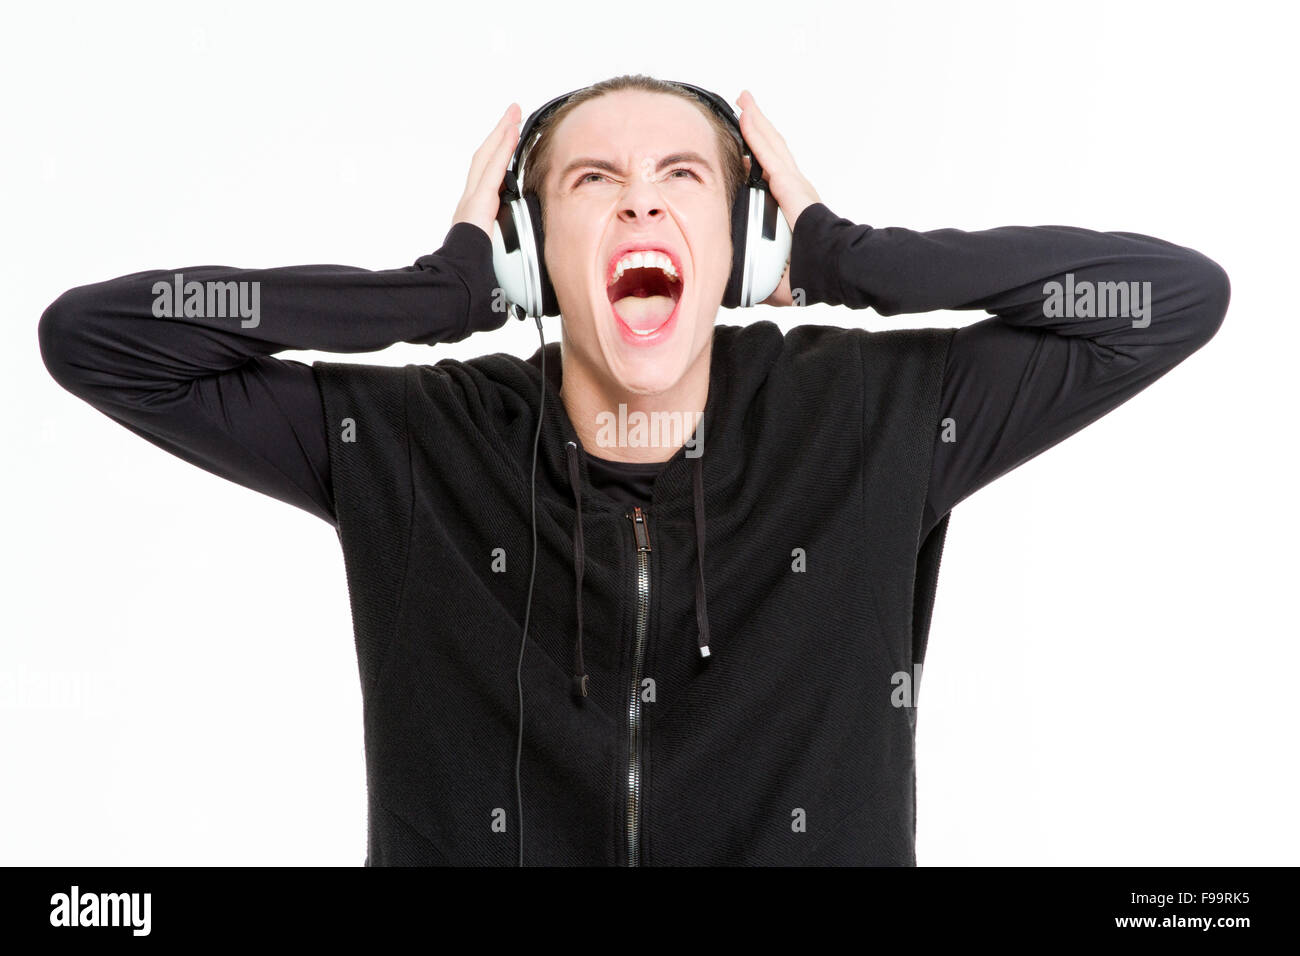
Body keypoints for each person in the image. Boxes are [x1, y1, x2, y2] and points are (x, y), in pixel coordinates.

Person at [38, 74, 1230, 866]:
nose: (638, 205)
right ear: (535, 253)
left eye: (682, 178)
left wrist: (846, 257)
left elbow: (1163, 300)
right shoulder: (411, 441)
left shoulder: (874, 415)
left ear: (737, 245)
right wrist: (432, 293)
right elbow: (103, 339)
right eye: (591, 184)